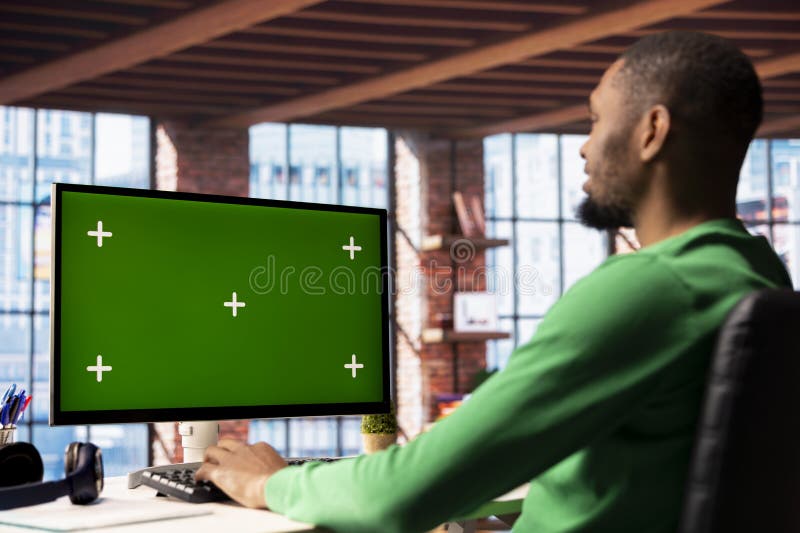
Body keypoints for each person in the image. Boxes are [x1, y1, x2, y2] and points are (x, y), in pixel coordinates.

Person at [196, 31, 793, 532]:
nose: (584, 147)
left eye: (595, 119)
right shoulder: (758, 274)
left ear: (651, 130)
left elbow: (402, 495)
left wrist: (273, 481)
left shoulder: (648, 289)